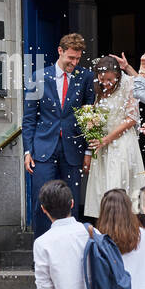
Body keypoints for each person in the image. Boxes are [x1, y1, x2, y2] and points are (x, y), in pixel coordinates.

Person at [22, 32, 96, 237]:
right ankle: (42, 253)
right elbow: (29, 118)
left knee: (70, 203)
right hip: (43, 148)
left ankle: (71, 251)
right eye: (70, 57)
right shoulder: (38, 77)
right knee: (41, 200)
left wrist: (89, 152)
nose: (74, 62)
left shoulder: (86, 77)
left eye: (78, 58)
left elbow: (89, 117)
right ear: (60, 51)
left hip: (73, 150)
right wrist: (27, 151)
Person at [82, 55, 144, 216]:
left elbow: (132, 118)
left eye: (110, 80)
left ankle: (123, 224)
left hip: (121, 142)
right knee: (102, 189)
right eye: (102, 79)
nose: (106, 83)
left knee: (118, 185)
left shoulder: (127, 84)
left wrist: (107, 139)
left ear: (117, 75)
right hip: (103, 147)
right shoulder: (98, 90)